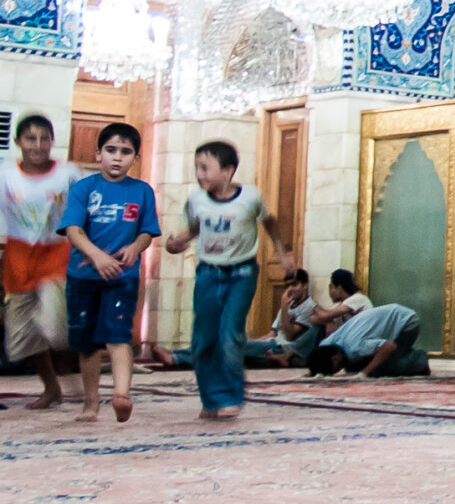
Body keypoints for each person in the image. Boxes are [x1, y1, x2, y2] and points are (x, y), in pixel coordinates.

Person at [161, 140, 295, 421]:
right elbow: (195, 228)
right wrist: (180, 242)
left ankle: (231, 396)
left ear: (228, 171)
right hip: (208, 273)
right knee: (204, 339)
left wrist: (283, 254)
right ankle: (210, 399)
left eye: (205, 168)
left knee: (230, 335)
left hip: (241, 273)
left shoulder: (250, 198)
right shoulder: (195, 200)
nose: (199, 174)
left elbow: (269, 222)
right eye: (196, 167)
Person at [58, 122, 159, 425]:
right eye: (111, 150)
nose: (117, 158)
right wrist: (97, 256)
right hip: (83, 277)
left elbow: (148, 231)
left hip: (122, 279)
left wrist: (135, 248)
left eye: (126, 152)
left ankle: (121, 394)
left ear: (135, 158)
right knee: (86, 342)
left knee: (118, 335)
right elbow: (73, 231)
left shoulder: (142, 191)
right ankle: (90, 404)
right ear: (98, 153)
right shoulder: (83, 189)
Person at [0, 114, 78, 410]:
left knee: (55, 329)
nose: (38, 145)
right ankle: (52, 388)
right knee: (23, 341)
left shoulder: (68, 174)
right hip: (19, 262)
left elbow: (87, 209)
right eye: (31, 138)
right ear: (18, 142)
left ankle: (78, 363)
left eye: (45, 138)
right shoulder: (6, 175)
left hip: (57, 257)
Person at [309, 301, 431, 378]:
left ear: (335, 359)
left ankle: (418, 359)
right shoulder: (326, 344)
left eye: (334, 370)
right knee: (352, 366)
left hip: (407, 323)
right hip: (392, 318)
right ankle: (404, 353)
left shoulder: (355, 346)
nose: (336, 371)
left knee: (380, 368)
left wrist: (365, 373)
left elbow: (389, 346)